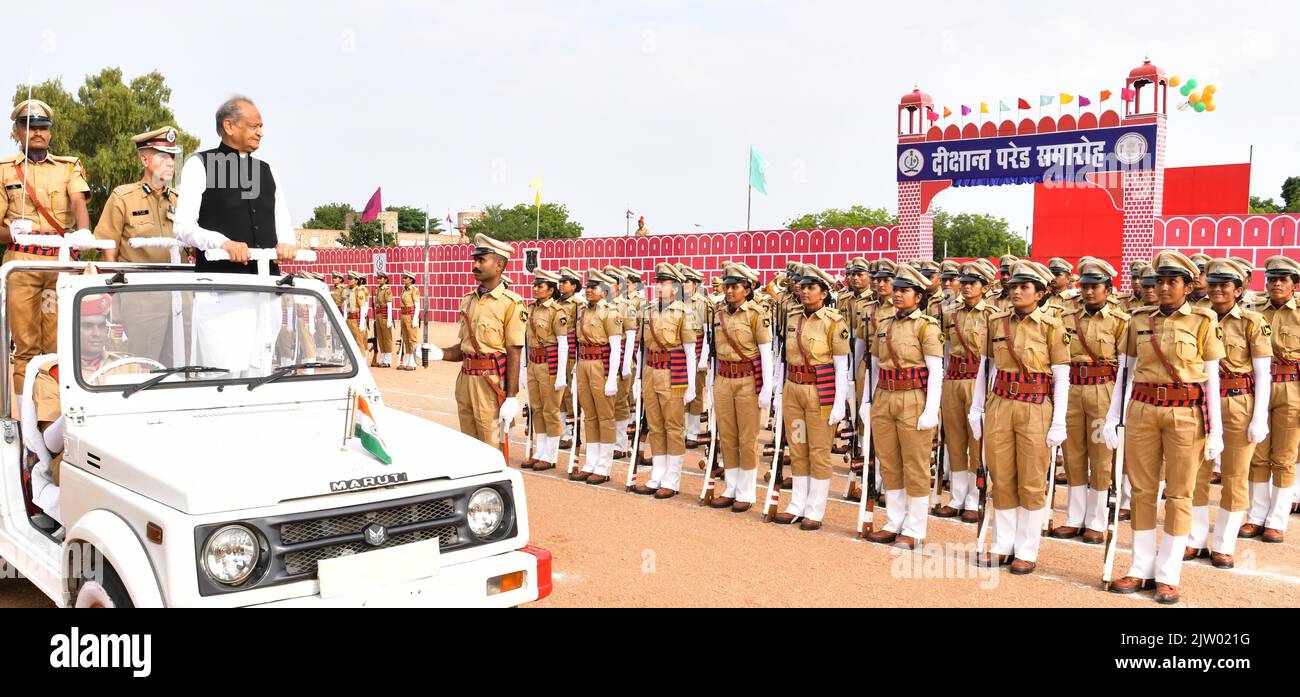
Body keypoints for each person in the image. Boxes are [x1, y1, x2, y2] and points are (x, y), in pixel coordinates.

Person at [1103, 250, 1225, 605]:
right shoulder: (1138, 320)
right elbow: (1125, 371)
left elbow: (1212, 379)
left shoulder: (1203, 320)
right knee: (1141, 490)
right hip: (1142, 410)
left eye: (1174, 281)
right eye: (1161, 281)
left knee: (1179, 494)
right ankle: (1140, 566)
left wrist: (1215, 430)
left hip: (1186, 413)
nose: (1165, 287)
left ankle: (1169, 574)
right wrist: (1113, 416)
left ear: (1188, 286)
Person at [969, 261, 1071, 575]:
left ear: (1039, 293)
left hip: (1035, 405)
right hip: (1000, 403)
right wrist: (977, 407)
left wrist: (1059, 420)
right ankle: (1002, 544)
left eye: (1024, 287)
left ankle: (1026, 549)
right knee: (1001, 476)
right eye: (1013, 286)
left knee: (1031, 480)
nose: (1016, 292)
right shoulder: (996, 322)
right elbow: (986, 367)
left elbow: (1061, 375)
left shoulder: (1052, 326)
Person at [1182, 259, 1271, 568]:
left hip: (1237, 403)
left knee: (1235, 476)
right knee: (1196, 474)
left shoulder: (1252, 322)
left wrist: (1260, 417)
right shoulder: (1195, 317)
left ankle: (1223, 543)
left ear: (1239, 289)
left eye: (1225, 285)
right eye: (1215, 283)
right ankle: (1195, 538)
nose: (1218, 289)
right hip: (1200, 403)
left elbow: (1263, 373)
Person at [1, 99, 92, 394]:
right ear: (17, 132)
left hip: (59, 265)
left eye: (43, 127)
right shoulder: (4, 171)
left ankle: (52, 410)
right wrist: (11, 233)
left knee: (58, 346)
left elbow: (78, 200)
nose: (37, 132)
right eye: (29, 127)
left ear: (50, 132)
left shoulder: (68, 167)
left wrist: (84, 231)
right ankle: (22, 413)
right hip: (22, 264)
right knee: (25, 347)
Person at [30, 294, 145, 523]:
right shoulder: (54, 374)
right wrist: (78, 406)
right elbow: (52, 443)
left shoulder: (126, 364)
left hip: (130, 450)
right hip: (76, 460)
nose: (96, 333)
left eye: (101, 326)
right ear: (73, 329)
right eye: (88, 326)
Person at [863, 263, 944, 548]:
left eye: (905, 290)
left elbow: (935, 371)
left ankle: (915, 527)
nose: (898, 294)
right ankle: (893, 521)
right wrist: (867, 401)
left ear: (918, 296)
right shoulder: (884, 324)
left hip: (913, 397)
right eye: (896, 289)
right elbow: (874, 364)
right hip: (884, 395)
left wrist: (931, 410)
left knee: (915, 464)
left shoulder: (926, 327)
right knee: (889, 463)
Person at [1049, 259, 1129, 543]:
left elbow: (1125, 366)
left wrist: (1120, 408)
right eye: (1085, 286)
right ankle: (1075, 517)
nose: (1089, 291)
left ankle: (1096, 519)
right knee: (1072, 455)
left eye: (1095, 286)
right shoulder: (1066, 318)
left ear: (1108, 289)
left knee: (1101, 456)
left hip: (1102, 391)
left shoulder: (1120, 321)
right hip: (1072, 390)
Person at [172, 96, 297, 272]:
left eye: (261, 127)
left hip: (268, 283)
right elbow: (183, 227)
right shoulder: (198, 164)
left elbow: (282, 223)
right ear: (229, 126)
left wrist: (286, 242)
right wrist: (223, 243)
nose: (260, 133)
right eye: (253, 126)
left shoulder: (268, 170)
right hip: (219, 282)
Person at [426, 234, 525, 448]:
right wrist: (441, 353)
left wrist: (511, 396)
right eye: (475, 260)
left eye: (481, 260)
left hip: (490, 383)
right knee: (469, 444)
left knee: (491, 445)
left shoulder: (511, 303)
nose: (475, 265)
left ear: (499, 266)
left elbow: (514, 352)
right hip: (465, 380)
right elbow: (465, 347)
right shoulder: (468, 300)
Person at [773, 265, 850, 531]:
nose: (805, 291)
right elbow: (784, 356)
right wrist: (779, 390)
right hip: (793, 389)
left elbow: (841, 365)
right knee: (797, 446)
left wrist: (839, 403)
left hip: (820, 391)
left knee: (818, 450)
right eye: (803, 287)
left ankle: (815, 509)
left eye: (811, 288)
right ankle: (797, 504)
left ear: (824, 293)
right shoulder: (793, 316)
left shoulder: (834, 321)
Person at [1240, 255, 1300, 543]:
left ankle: (1277, 520)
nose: (1276, 284)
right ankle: (1256, 516)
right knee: (1258, 455)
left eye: (1282, 279)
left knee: (1285, 458)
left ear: (1294, 285)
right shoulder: (1253, 310)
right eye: (1272, 279)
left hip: (1292, 388)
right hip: (1259, 388)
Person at [933, 260, 996, 524]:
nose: (967, 287)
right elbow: (947, 348)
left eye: (973, 283)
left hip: (977, 380)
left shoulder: (992, 315)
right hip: (954, 379)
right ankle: (957, 498)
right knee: (955, 440)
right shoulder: (951, 313)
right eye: (965, 282)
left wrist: (990, 387)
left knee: (976, 441)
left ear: (985, 287)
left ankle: (974, 497)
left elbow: (994, 356)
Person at [708, 262, 774, 513]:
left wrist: (766, 387)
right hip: (724, 378)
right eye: (727, 286)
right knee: (727, 436)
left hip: (747, 379)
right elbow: (715, 352)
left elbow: (765, 351)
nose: (729, 290)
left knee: (747, 438)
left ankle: (746, 490)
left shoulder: (757, 313)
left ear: (747, 290)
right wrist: (713, 383)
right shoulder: (718, 312)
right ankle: (730, 487)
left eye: (735, 286)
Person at [631, 263, 698, 498]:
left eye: (664, 283)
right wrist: (638, 377)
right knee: (655, 426)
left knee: (673, 427)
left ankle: (672, 478)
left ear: (675, 288)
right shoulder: (648, 311)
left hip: (673, 373)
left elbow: (690, 351)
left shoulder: (684, 313)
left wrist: (691, 384)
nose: (659, 287)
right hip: (651, 371)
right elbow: (643, 348)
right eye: (658, 283)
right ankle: (657, 474)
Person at [94, 126, 182, 264]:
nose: (170, 163)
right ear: (145, 160)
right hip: (136, 278)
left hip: (179, 277)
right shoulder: (123, 198)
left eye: (172, 157)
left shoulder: (180, 201)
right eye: (163, 156)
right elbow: (108, 254)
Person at [569, 270, 624, 485]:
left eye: (594, 288)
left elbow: (616, 347)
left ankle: (604, 466)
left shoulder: (611, 313)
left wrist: (611, 378)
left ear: (605, 292)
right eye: (588, 287)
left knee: (605, 416)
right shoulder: (583, 312)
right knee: (589, 415)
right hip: (584, 363)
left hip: (601, 365)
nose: (589, 291)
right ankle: (591, 462)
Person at [520, 269, 569, 471]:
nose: (535, 289)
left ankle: (550, 455)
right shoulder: (530, 309)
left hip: (550, 365)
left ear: (550, 290)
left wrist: (561, 374)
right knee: (537, 408)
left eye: (540, 286)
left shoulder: (557, 312)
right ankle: (540, 451)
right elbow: (525, 340)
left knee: (551, 410)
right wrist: (523, 367)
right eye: (534, 285)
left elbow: (563, 343)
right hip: (533, 363)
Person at [679, 264, 713, 449]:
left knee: (696, 394)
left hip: (697, 353)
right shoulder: (676, 302)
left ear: (695, 284)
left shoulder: (702, 303)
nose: (683, 285)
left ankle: (693, 431)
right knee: (680, 391)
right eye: (681, 282)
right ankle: (682, 429)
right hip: (680, 355)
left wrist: (703, 358)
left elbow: (707, 333)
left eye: (687, 282)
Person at [555, 266, 583, 449]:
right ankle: (563, 430)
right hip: (557, 351)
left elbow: (580, 332)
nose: (561, 285)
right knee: (560, 392)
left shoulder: (578, 304)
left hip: (572, 352)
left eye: (564, 282)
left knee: (571, 393)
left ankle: (572, 432)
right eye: (560, 282)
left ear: (573, 286)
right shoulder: (555, 302)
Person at [371, 271, 395, 368]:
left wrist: (389, 319)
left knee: (387, 337)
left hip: (385, 315)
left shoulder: (387, 290)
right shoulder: (377, 289)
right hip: (378, 314)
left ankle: (388, 360)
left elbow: (389, 305)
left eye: (380, 278)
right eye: (378, 278)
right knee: (380, 337)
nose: (378, 280)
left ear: (385, 279)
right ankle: (382, 357)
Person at [397, 271, 421, 371]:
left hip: (410, 315)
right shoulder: (403, 290)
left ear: (411, 279)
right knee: (406, 338)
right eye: (403, 277)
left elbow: (417, 305)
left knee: (412, 339)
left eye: (405, 277)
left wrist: (415, 319)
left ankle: (413, 361)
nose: (403, 279)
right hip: (404, 315)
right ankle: (407, 359)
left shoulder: (414, 290)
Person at [344, 272, 370, 356]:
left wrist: (362, 322)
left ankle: (363, 359)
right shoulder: (348, 291)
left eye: (351, 279)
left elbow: (362, 307)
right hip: (350, 318)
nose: (349, 280)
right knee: (351, 342)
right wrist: (345, 317)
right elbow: (346, 305)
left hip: (356, 319)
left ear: (356, 280)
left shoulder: (359, 291)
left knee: (359, 342)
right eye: (348, 278)